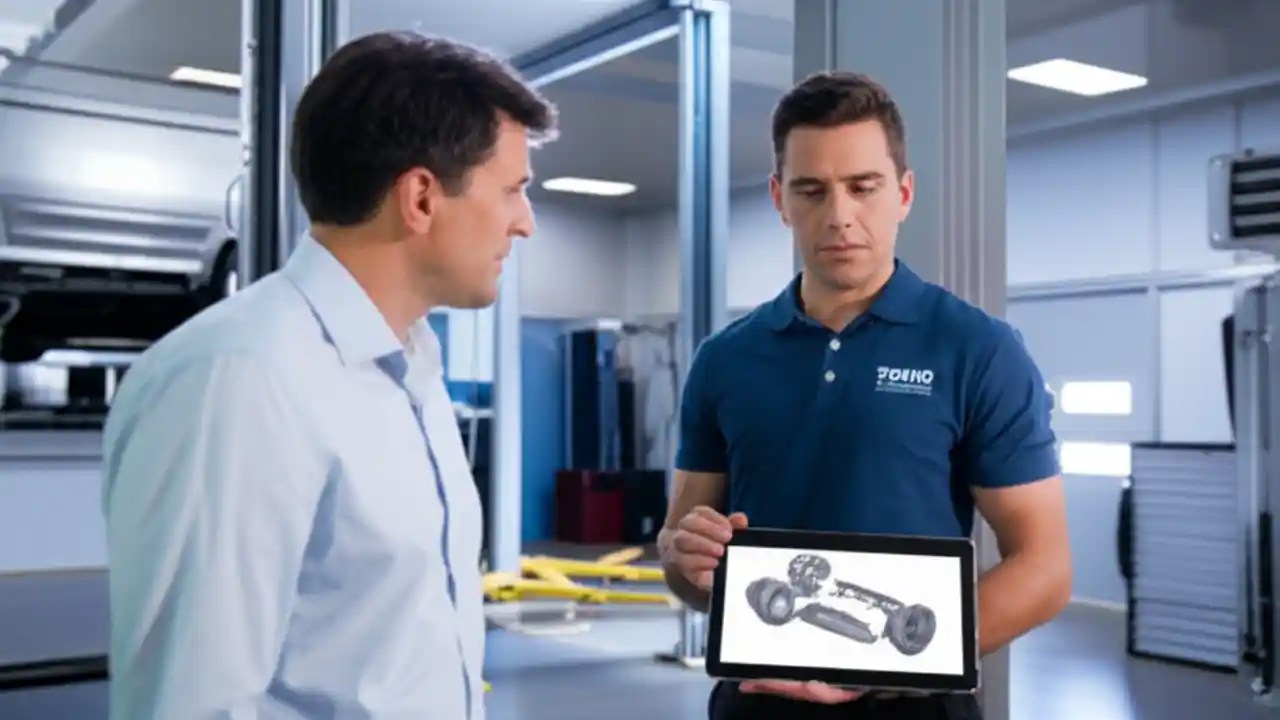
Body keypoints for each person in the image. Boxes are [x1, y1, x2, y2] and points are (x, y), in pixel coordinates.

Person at [100, 31, 557, 719]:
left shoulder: (412, 367)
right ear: (422, 199)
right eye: (513, 190)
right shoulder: (242, 380)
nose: (525, 223)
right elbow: (192, 702)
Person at [657, 71, 1072, 720]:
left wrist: (885, 662)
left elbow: (1044, 567)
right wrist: (685, 558)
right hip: (756, 704)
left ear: (903, 193)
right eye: (812, 190)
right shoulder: (725, 359)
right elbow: (685, 561)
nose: (840, 215)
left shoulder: (979, 350)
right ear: (779, 198)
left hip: (915, 705)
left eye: (863, 187)